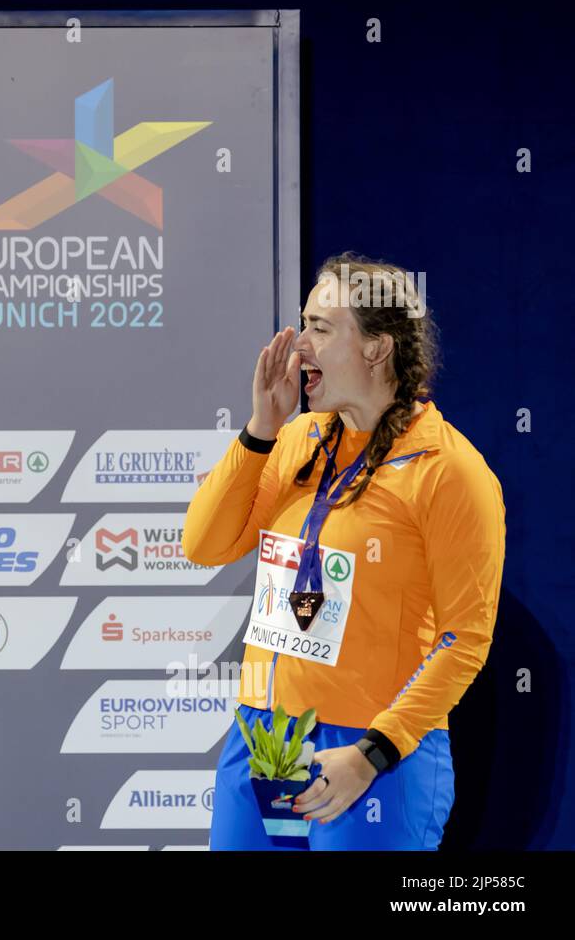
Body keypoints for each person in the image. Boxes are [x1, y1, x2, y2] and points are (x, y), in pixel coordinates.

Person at [183, 254, 505, 850]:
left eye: (321, 328)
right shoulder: (299, 439)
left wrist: (372, 753)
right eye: (303, 324)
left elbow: (466, 637)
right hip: (265, 738)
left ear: (377, 349)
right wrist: (259, 431)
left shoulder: (450, 470)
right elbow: (203, 545)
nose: (298, 345)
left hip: (371, 752)